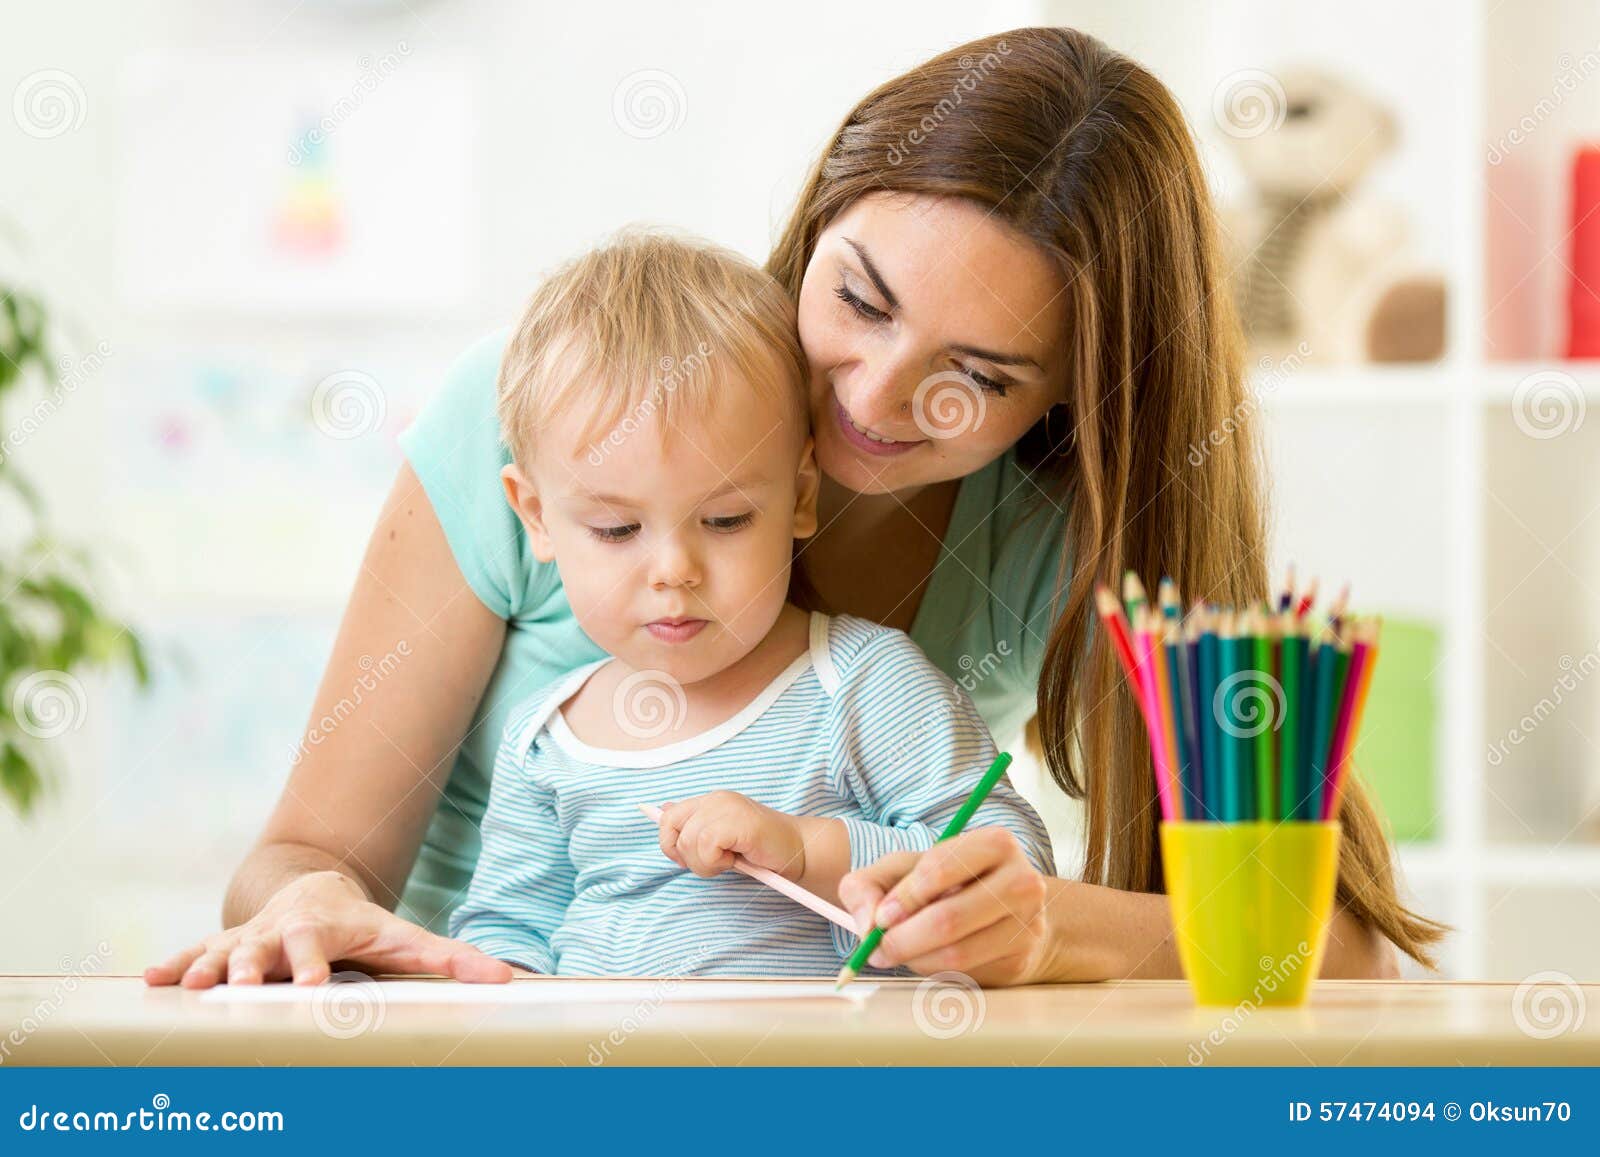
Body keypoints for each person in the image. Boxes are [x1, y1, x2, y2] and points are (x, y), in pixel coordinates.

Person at [147, 27, 1442, 991]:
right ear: (816, 217)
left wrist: (1048, 921)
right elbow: (303, 853)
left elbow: (1337, 946)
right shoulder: (559, 414)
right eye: (861, 300)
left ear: (1069, 405)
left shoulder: (1069, 529)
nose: (871, 396)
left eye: (978, 377)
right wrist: (313, 906)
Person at [449, 230, 1051, 976]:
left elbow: (1011, 867)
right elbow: (504, 937)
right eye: (616, 528)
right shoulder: (545, 739)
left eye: (726, 520)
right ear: (536, 515)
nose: (674, 571)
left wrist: (808, 848)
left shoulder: (861, 685)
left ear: (801, 495)